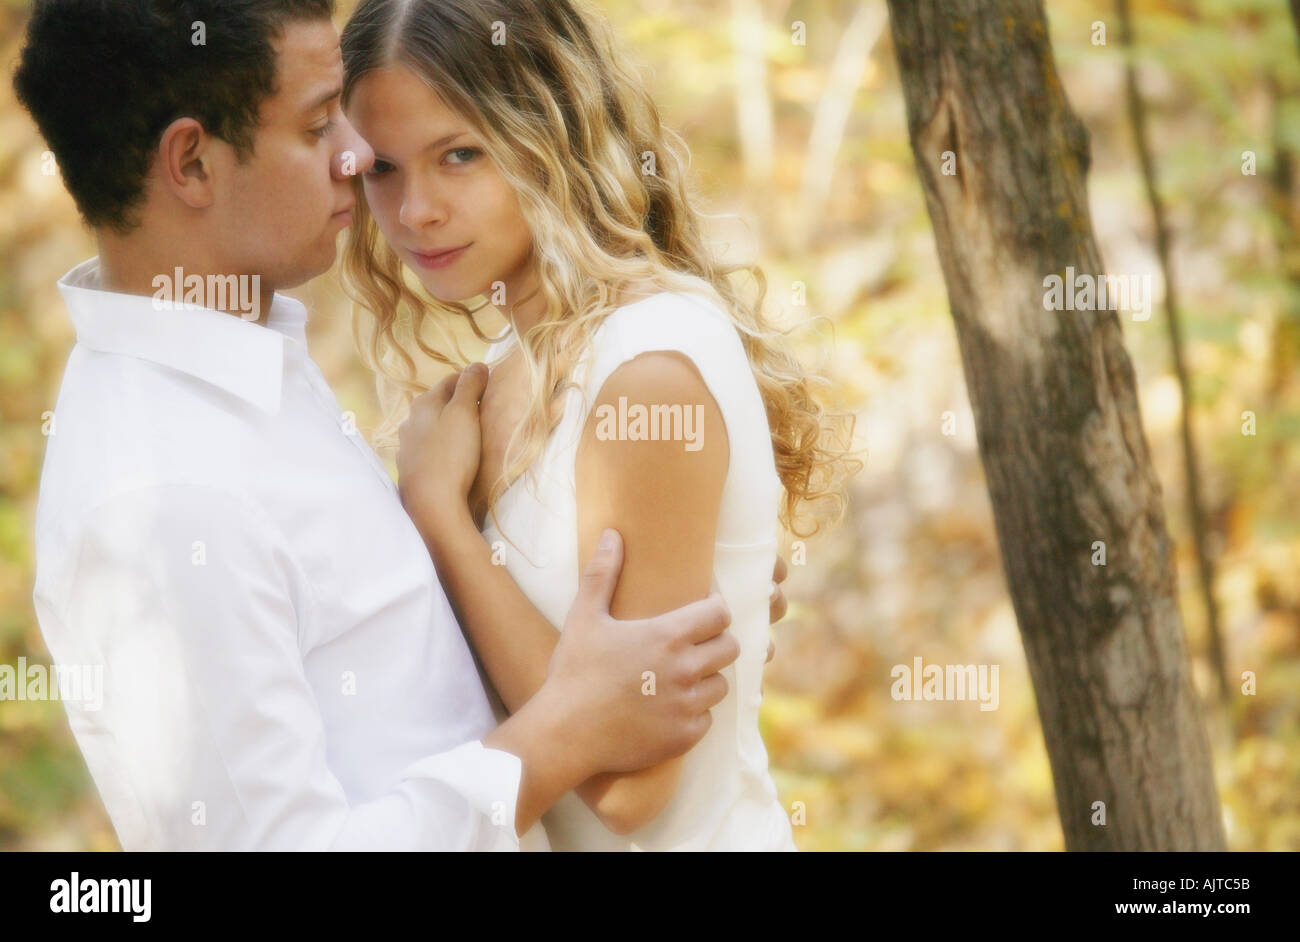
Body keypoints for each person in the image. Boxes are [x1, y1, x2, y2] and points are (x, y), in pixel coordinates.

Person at [14, 0, 789, 851]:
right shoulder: (163, 496)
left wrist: (719, 598)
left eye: (458, 154)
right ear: (192, 164)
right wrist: (570, 713)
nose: (358, 164)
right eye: (322, 130)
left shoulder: (259, 365)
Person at [339, 0, 858, 849]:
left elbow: (628, 787)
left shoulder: (646, 369)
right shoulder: (509, 366)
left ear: (551, 136)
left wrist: (442, 523)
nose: (415, 209)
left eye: (459, 155)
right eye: (383, 169)